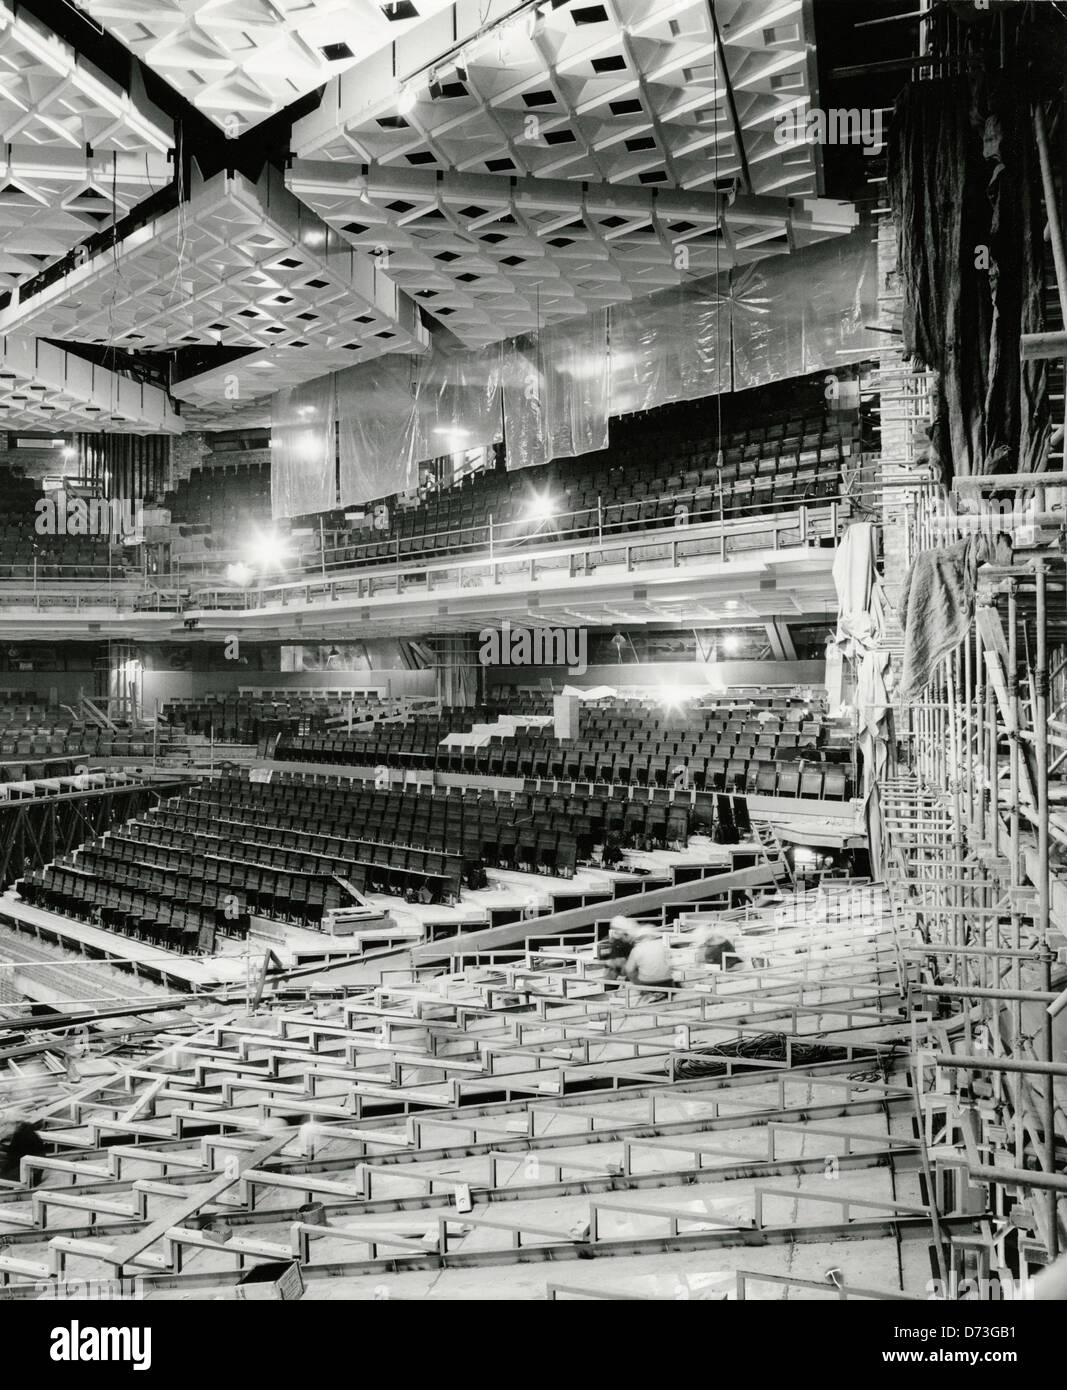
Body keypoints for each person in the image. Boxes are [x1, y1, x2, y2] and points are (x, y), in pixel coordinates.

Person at [597, 930, 675, 992]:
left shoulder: (636, 948)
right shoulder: (659, 945)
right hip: (666, 981)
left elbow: (628, 968)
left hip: (648, 982)